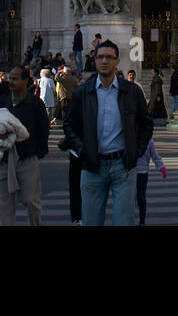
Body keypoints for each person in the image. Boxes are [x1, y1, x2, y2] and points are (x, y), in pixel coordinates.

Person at [62, 39, 153, 227]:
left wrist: (137, 151)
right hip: (92, 166)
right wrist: (82, 149)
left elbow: (146, 123)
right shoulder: (83, 92)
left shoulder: (132, 91)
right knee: (91, 221)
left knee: (124, 221)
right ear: (94, 60)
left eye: (109, 57)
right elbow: (69, 124)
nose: (104, 61)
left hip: (123, 166)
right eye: (101, 57)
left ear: (117, 61)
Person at [0, 64, 49, 225]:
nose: (11, 81)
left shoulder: (35, 103)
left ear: (25, 81)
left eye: (15, 79)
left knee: (31, 201)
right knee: (3, 206)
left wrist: (37, 152)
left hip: (26, 158)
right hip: (3, 159)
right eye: (10, 78)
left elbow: (44, 129)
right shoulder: (3, 101)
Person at [135, 136, 166, 225]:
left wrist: (161, 167)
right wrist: (161, 167)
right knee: (140, 196)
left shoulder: (130, 137)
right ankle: (141, 221)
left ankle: (141, 220)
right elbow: (155, 156)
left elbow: (155, 156)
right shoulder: (148, 139)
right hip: (137, 171)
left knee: (138, 196)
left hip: (136, 171)